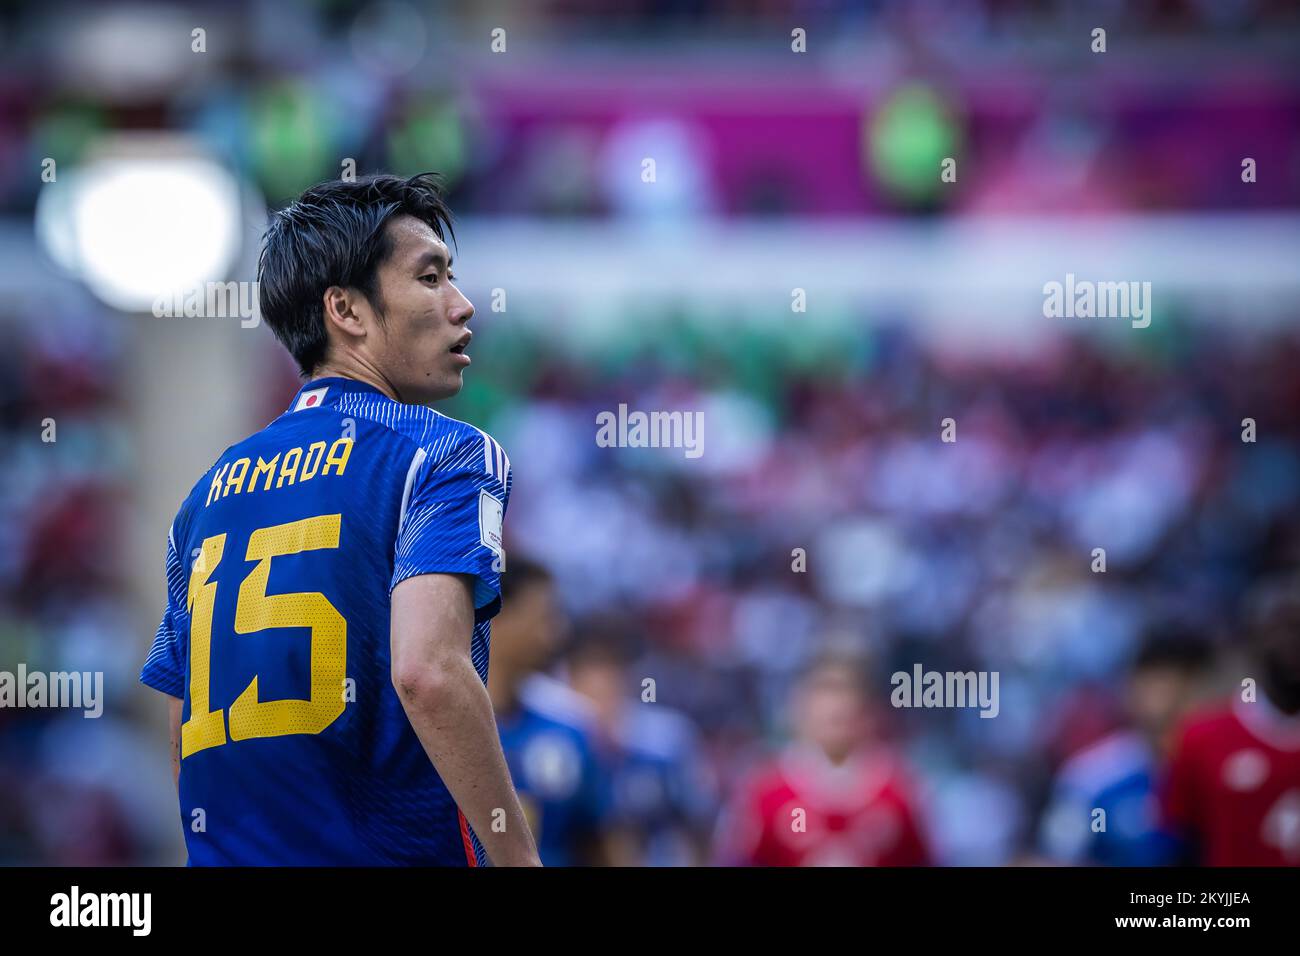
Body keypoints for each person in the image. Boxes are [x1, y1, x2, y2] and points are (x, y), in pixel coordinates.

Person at [138, 173, 539, 866]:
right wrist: (520, 859)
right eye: (431, 276)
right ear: (346, 311)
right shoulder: (441, 451)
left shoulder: (202, 502)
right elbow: (428, 671)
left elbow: (184, 728)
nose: (463, 304)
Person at [715, 653, 929, 866]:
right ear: (800, 707)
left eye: (846, 692)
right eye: (825, 693)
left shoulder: (900, 792)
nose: (837, 706)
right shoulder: (766, 792)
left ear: (868, 710)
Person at [1039, 627, 1213, 865]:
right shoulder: (1091, 779)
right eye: (1155, 686)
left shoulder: (1228, 771)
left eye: (1185, 692)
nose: (1169, 703)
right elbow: (1057, 858)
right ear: (1131, 690)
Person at [1162, 576, 1300, 865]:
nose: (1293, 643)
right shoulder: (1205, 735)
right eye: (1285, 629)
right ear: (1255, 638)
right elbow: (1181, 842)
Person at [488, 558, 615, 865]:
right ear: (497, 614)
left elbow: (601, 841)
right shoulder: (430, 725)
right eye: (546, 616)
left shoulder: (571, 726)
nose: (558, 632)